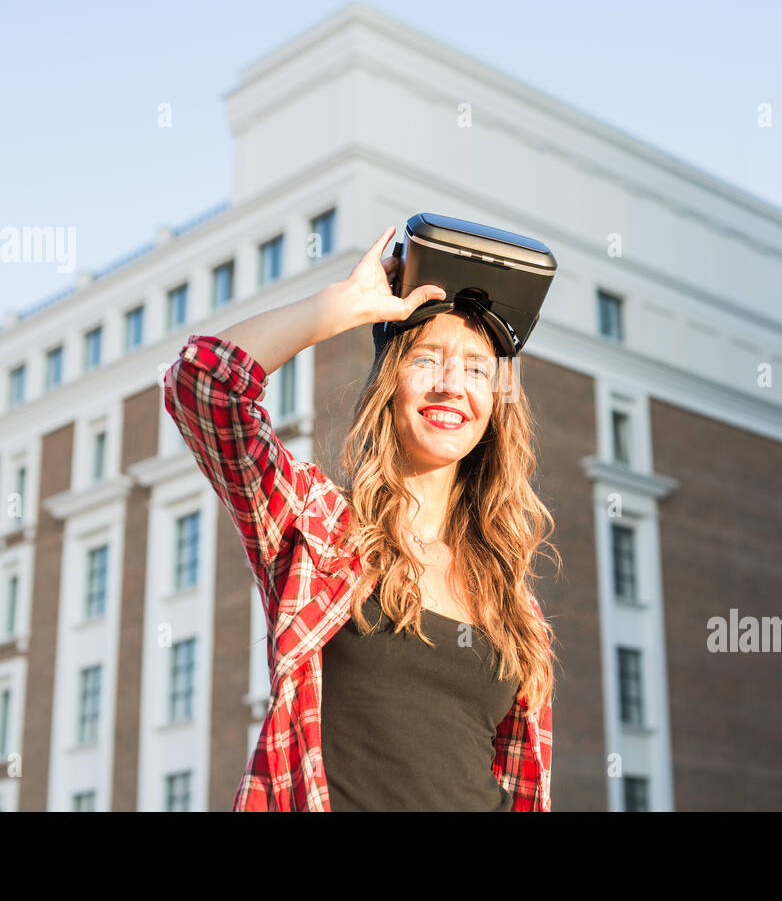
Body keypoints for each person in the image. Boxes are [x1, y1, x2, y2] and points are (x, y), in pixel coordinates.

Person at [162, 224, 559, 811]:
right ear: (389, 384)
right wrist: (345, 306)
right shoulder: (321, 529)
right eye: (427, 360)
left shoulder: (508, 591)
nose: (451, 385)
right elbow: (203, 386)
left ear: (495, 408)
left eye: (477, 369)